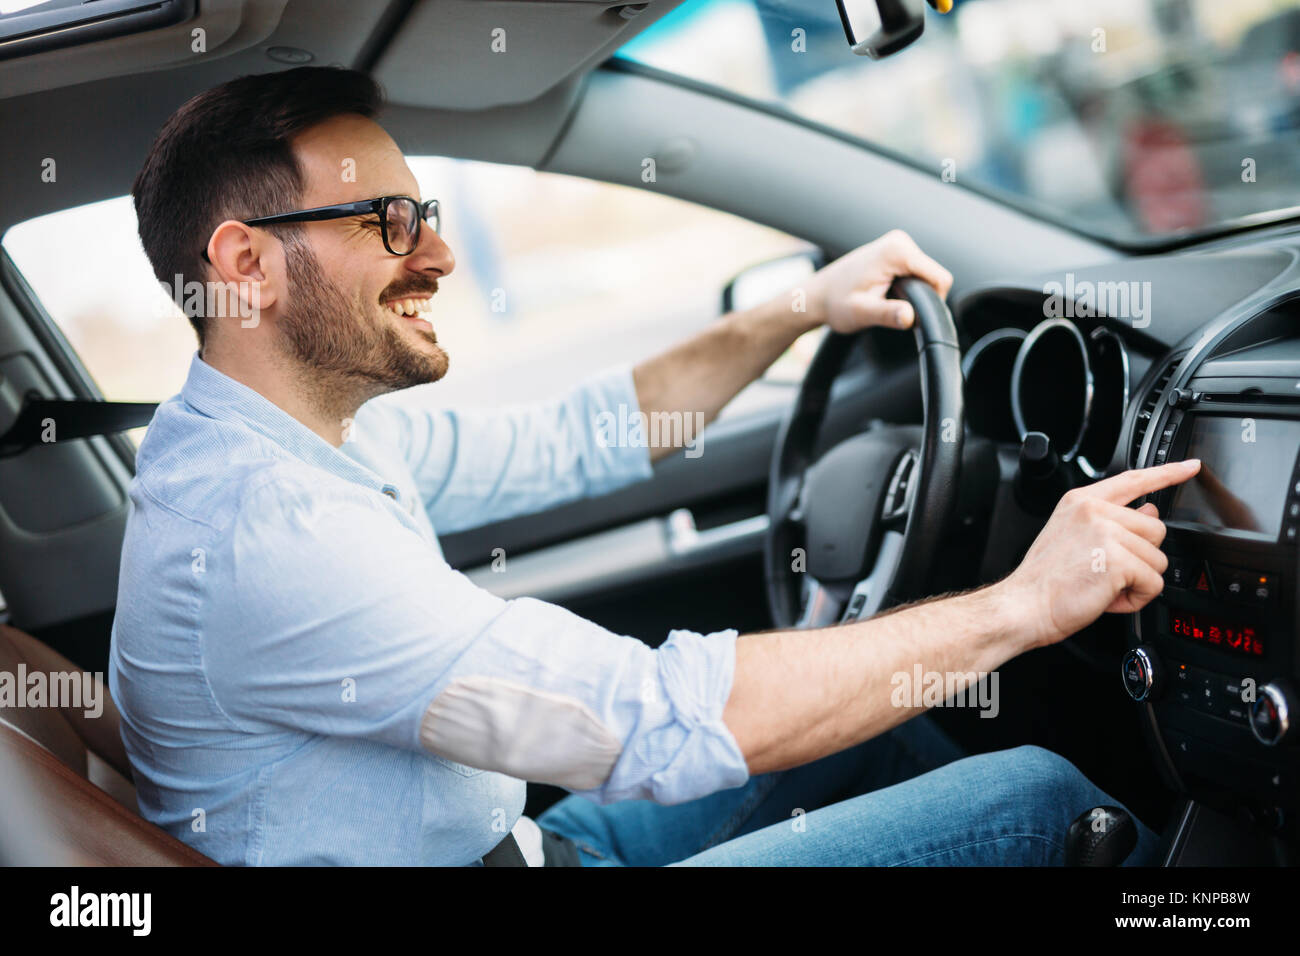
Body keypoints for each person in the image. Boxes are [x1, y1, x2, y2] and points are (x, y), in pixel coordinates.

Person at [110, 66, 1198, 866]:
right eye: (389, 222)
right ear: (246, 264)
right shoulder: (268, 535)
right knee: (1040, 803)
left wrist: (800, 307)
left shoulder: (300, 434)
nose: (436, 253)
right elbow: (650, 719)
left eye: (426, 214)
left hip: (531, 849)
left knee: (892, 727)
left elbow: (583, 435)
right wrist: (1025, 602)